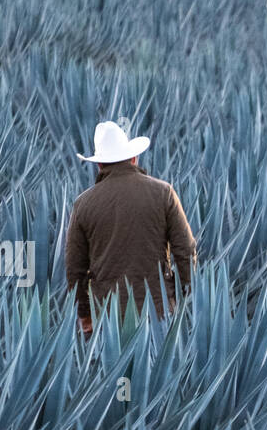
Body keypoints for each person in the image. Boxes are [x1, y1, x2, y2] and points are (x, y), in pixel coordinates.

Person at [66, 121, 196, 334]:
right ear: (133, 158)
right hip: (160, 312)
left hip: (107, 319)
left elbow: (75, 269)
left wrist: (85, 314)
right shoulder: (164, 193)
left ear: (99, 165)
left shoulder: (83, 204)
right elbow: (186, 250)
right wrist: (181, 295)